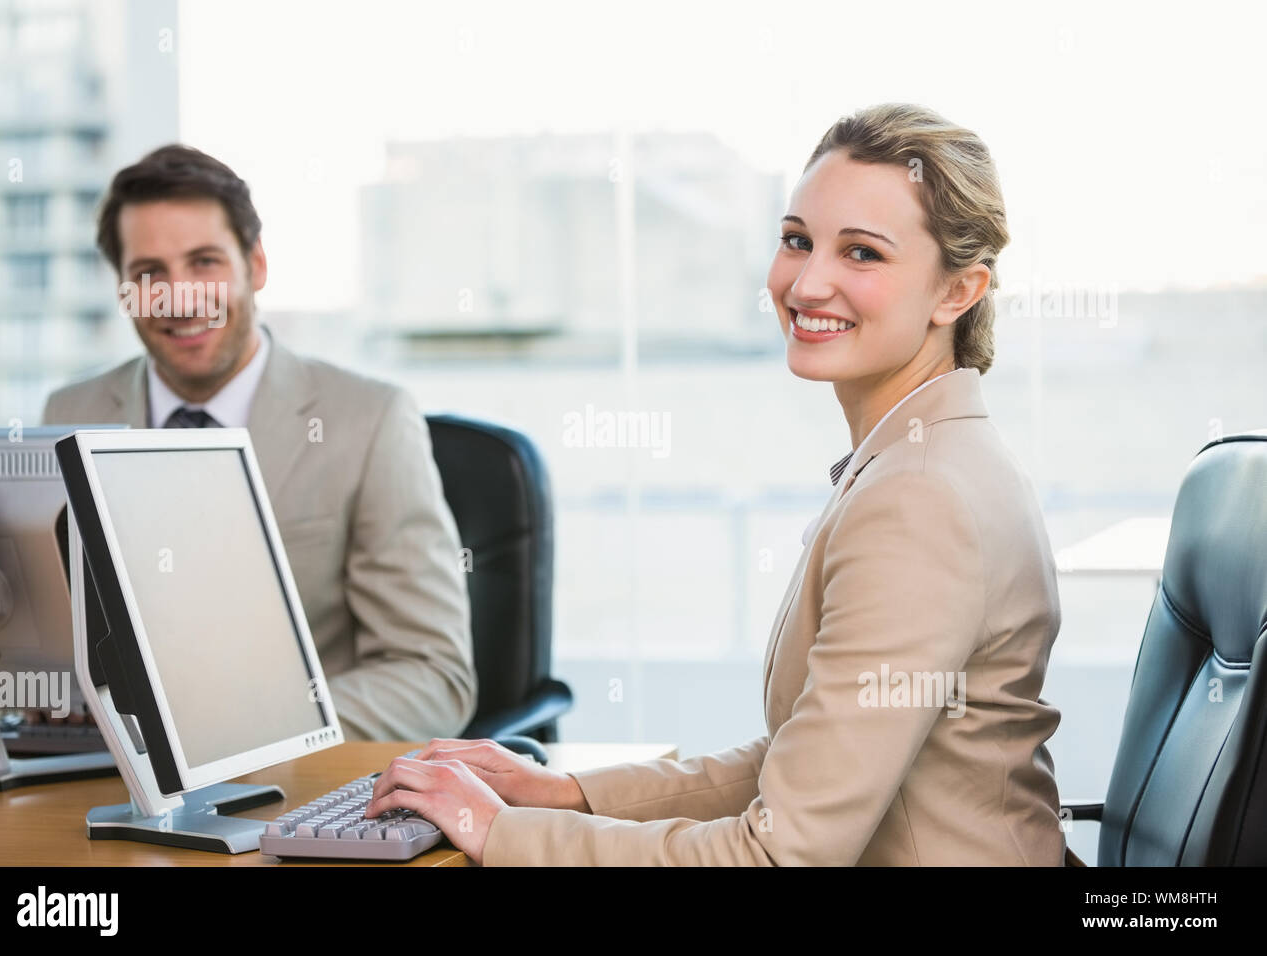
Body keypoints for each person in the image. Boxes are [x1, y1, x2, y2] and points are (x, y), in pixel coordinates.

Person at [365, 103, 1067, 865]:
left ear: (957, 291)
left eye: (861, 254)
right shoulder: (931, 458)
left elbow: (777, 854)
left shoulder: (919, 499)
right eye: (797, 241)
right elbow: (796, 765)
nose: (807, 282)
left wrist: (499, 833)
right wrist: (563, 792)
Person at [42, 145, 477, 743]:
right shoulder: (71, 416)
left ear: (257, 265)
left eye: (204, 262)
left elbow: (433, 677)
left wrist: (230, 730)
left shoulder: (369, 422)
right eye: (149, 274)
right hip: (104, 782)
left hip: (295, 793)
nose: (181, 297)